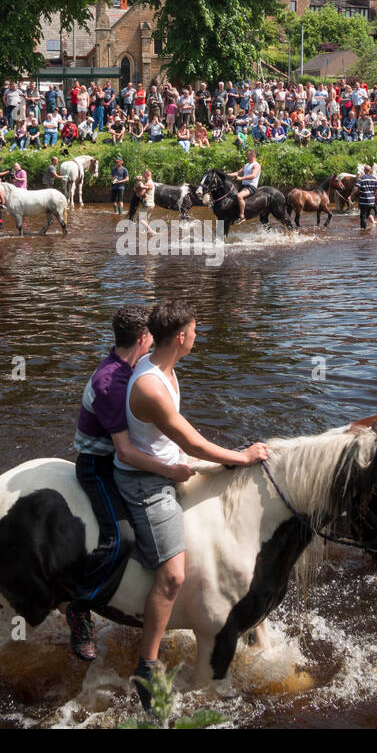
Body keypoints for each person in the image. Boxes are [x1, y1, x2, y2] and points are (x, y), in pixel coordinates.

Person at [113, 301, 268, 708]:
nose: (198, 337)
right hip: (146, 481)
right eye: (195, 331)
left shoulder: (165, 367)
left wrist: (230, 462)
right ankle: (147, 667)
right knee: (173, 576)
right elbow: (193, 442)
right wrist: (244, 455)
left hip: (172, 465)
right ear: (181, 337)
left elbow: (184, 444)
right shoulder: (149, 384)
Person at [64, 306, 177, 661]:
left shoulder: (133, 368)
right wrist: (170, 469)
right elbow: (125, 453)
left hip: (118, 460)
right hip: (99, 466)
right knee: (121, 537)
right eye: (152, 339)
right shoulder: (111, 383)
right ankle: (80, 608)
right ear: (143, 339)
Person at [231, 149, 261, 221]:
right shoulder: (246, 165)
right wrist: (225, 175)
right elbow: (237, 173)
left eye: (247, 155)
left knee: (239, 196)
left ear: (252, 155)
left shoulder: (256, 165)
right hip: (244, 186)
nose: (246, 156)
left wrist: (241, 178)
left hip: (251, 186)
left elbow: (253, 175)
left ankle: (242, 216)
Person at [355, 163, 377, 228]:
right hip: (371, 201)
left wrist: (350, 195)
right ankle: (374, 224)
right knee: (368, 213)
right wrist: (376, 198)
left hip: (364, 201)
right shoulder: (374, 178)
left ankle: (363, 230)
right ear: (370, 170)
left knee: (362, 216)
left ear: (364, 170)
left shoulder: (361, 178)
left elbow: (356, 188)